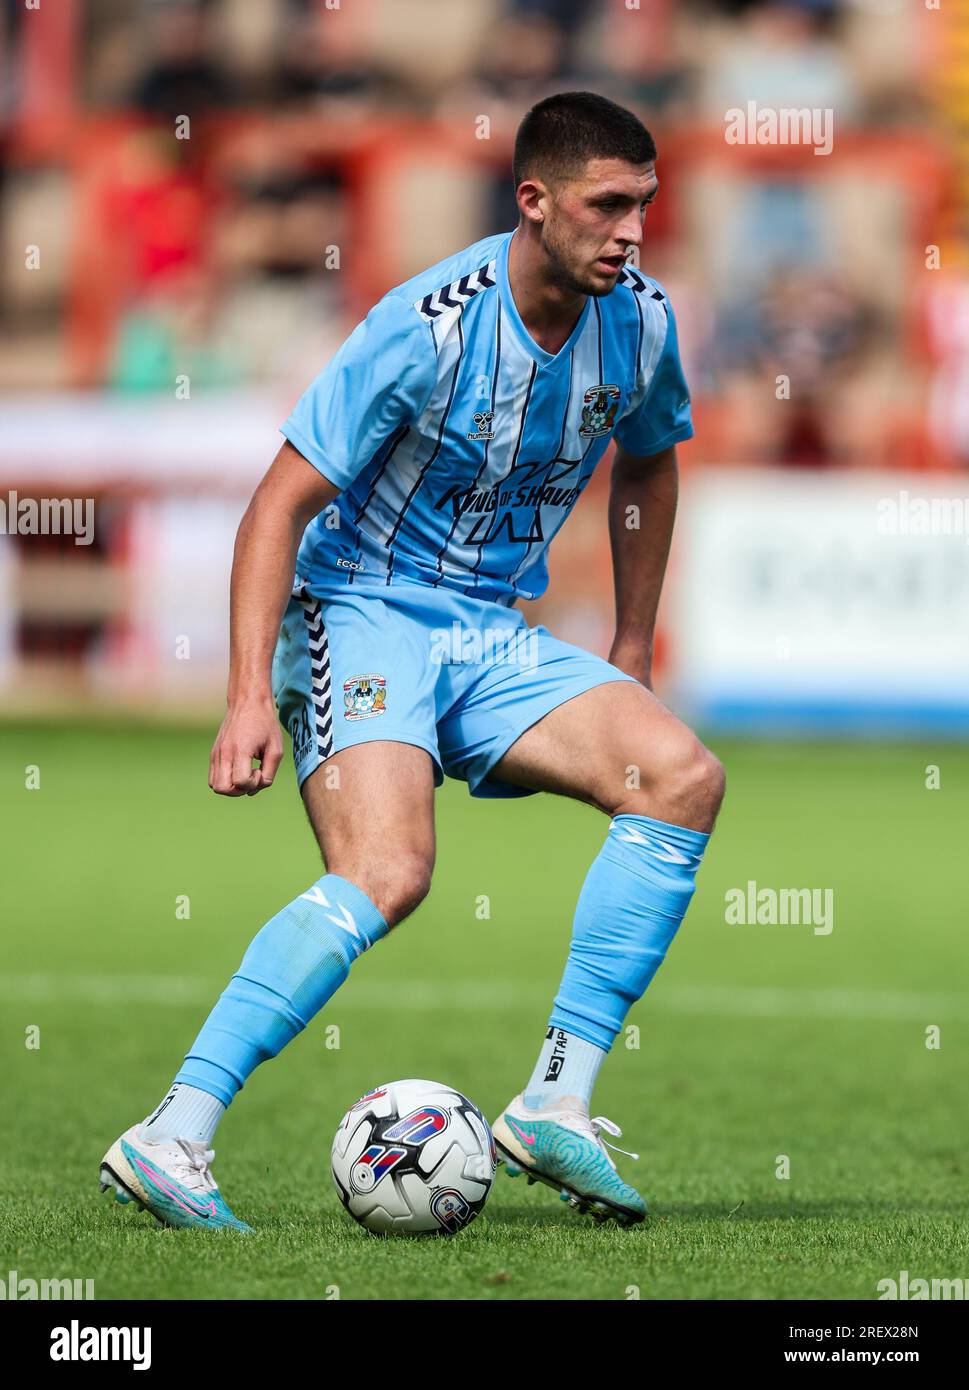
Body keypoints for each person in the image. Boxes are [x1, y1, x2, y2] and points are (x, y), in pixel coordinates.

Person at [100, 91, 725, 1231]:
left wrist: (632, 643)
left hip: (491, 626)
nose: (634, 229)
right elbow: (278, 502)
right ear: (534, 203)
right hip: (360, 609)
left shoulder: (640, 319)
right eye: (609, 205)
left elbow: (649, 464)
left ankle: (554, 1103)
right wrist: (247, 694)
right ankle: (173, 1131)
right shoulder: (424, 323)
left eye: (646, 203)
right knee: (390, 871)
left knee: (681, 778)